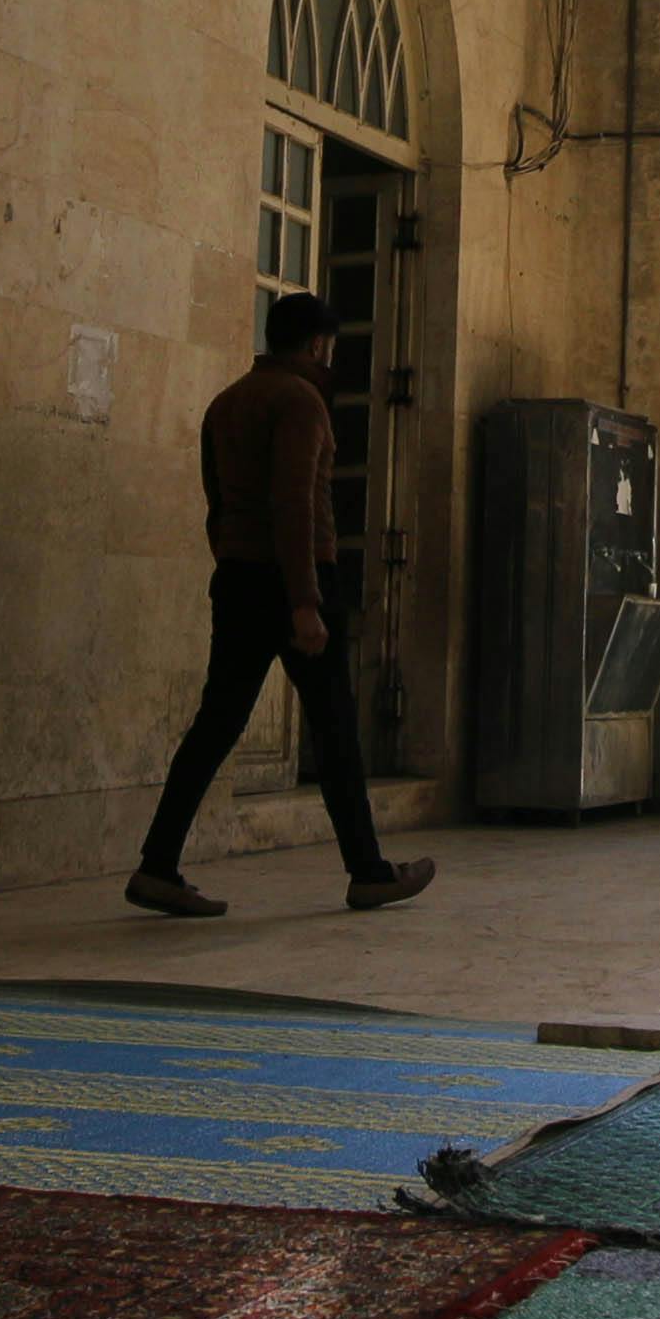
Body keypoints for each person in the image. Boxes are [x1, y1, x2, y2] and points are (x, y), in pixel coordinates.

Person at [127, 293, 437, 919]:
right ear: (319, 344)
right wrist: (303, 600)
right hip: (292, 579)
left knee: (216, 725)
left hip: (239, 577)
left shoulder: (227, 402)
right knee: (336, 727)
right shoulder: (300, 402)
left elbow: (216, 500)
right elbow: (294, 503)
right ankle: (368, 872)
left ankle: (157, 865)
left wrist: (233, 563)